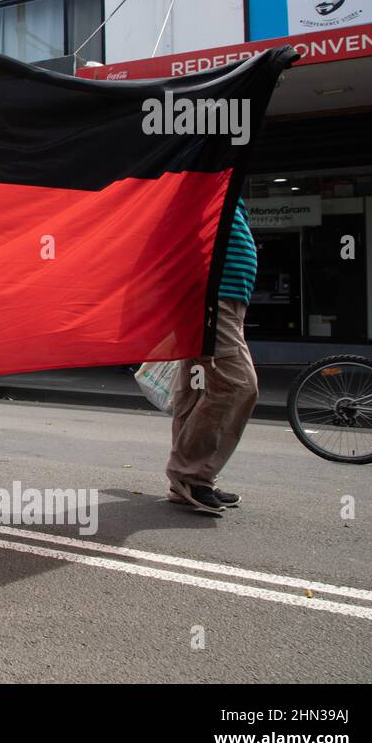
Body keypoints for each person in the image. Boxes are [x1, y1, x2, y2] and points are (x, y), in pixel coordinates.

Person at [166, 196, 259, 516]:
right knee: (237, 384)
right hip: (210, 297)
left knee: (196, 389)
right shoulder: (199, 163)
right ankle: (191, 475)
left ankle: (188, 479)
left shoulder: (220, 177)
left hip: (222, 299)